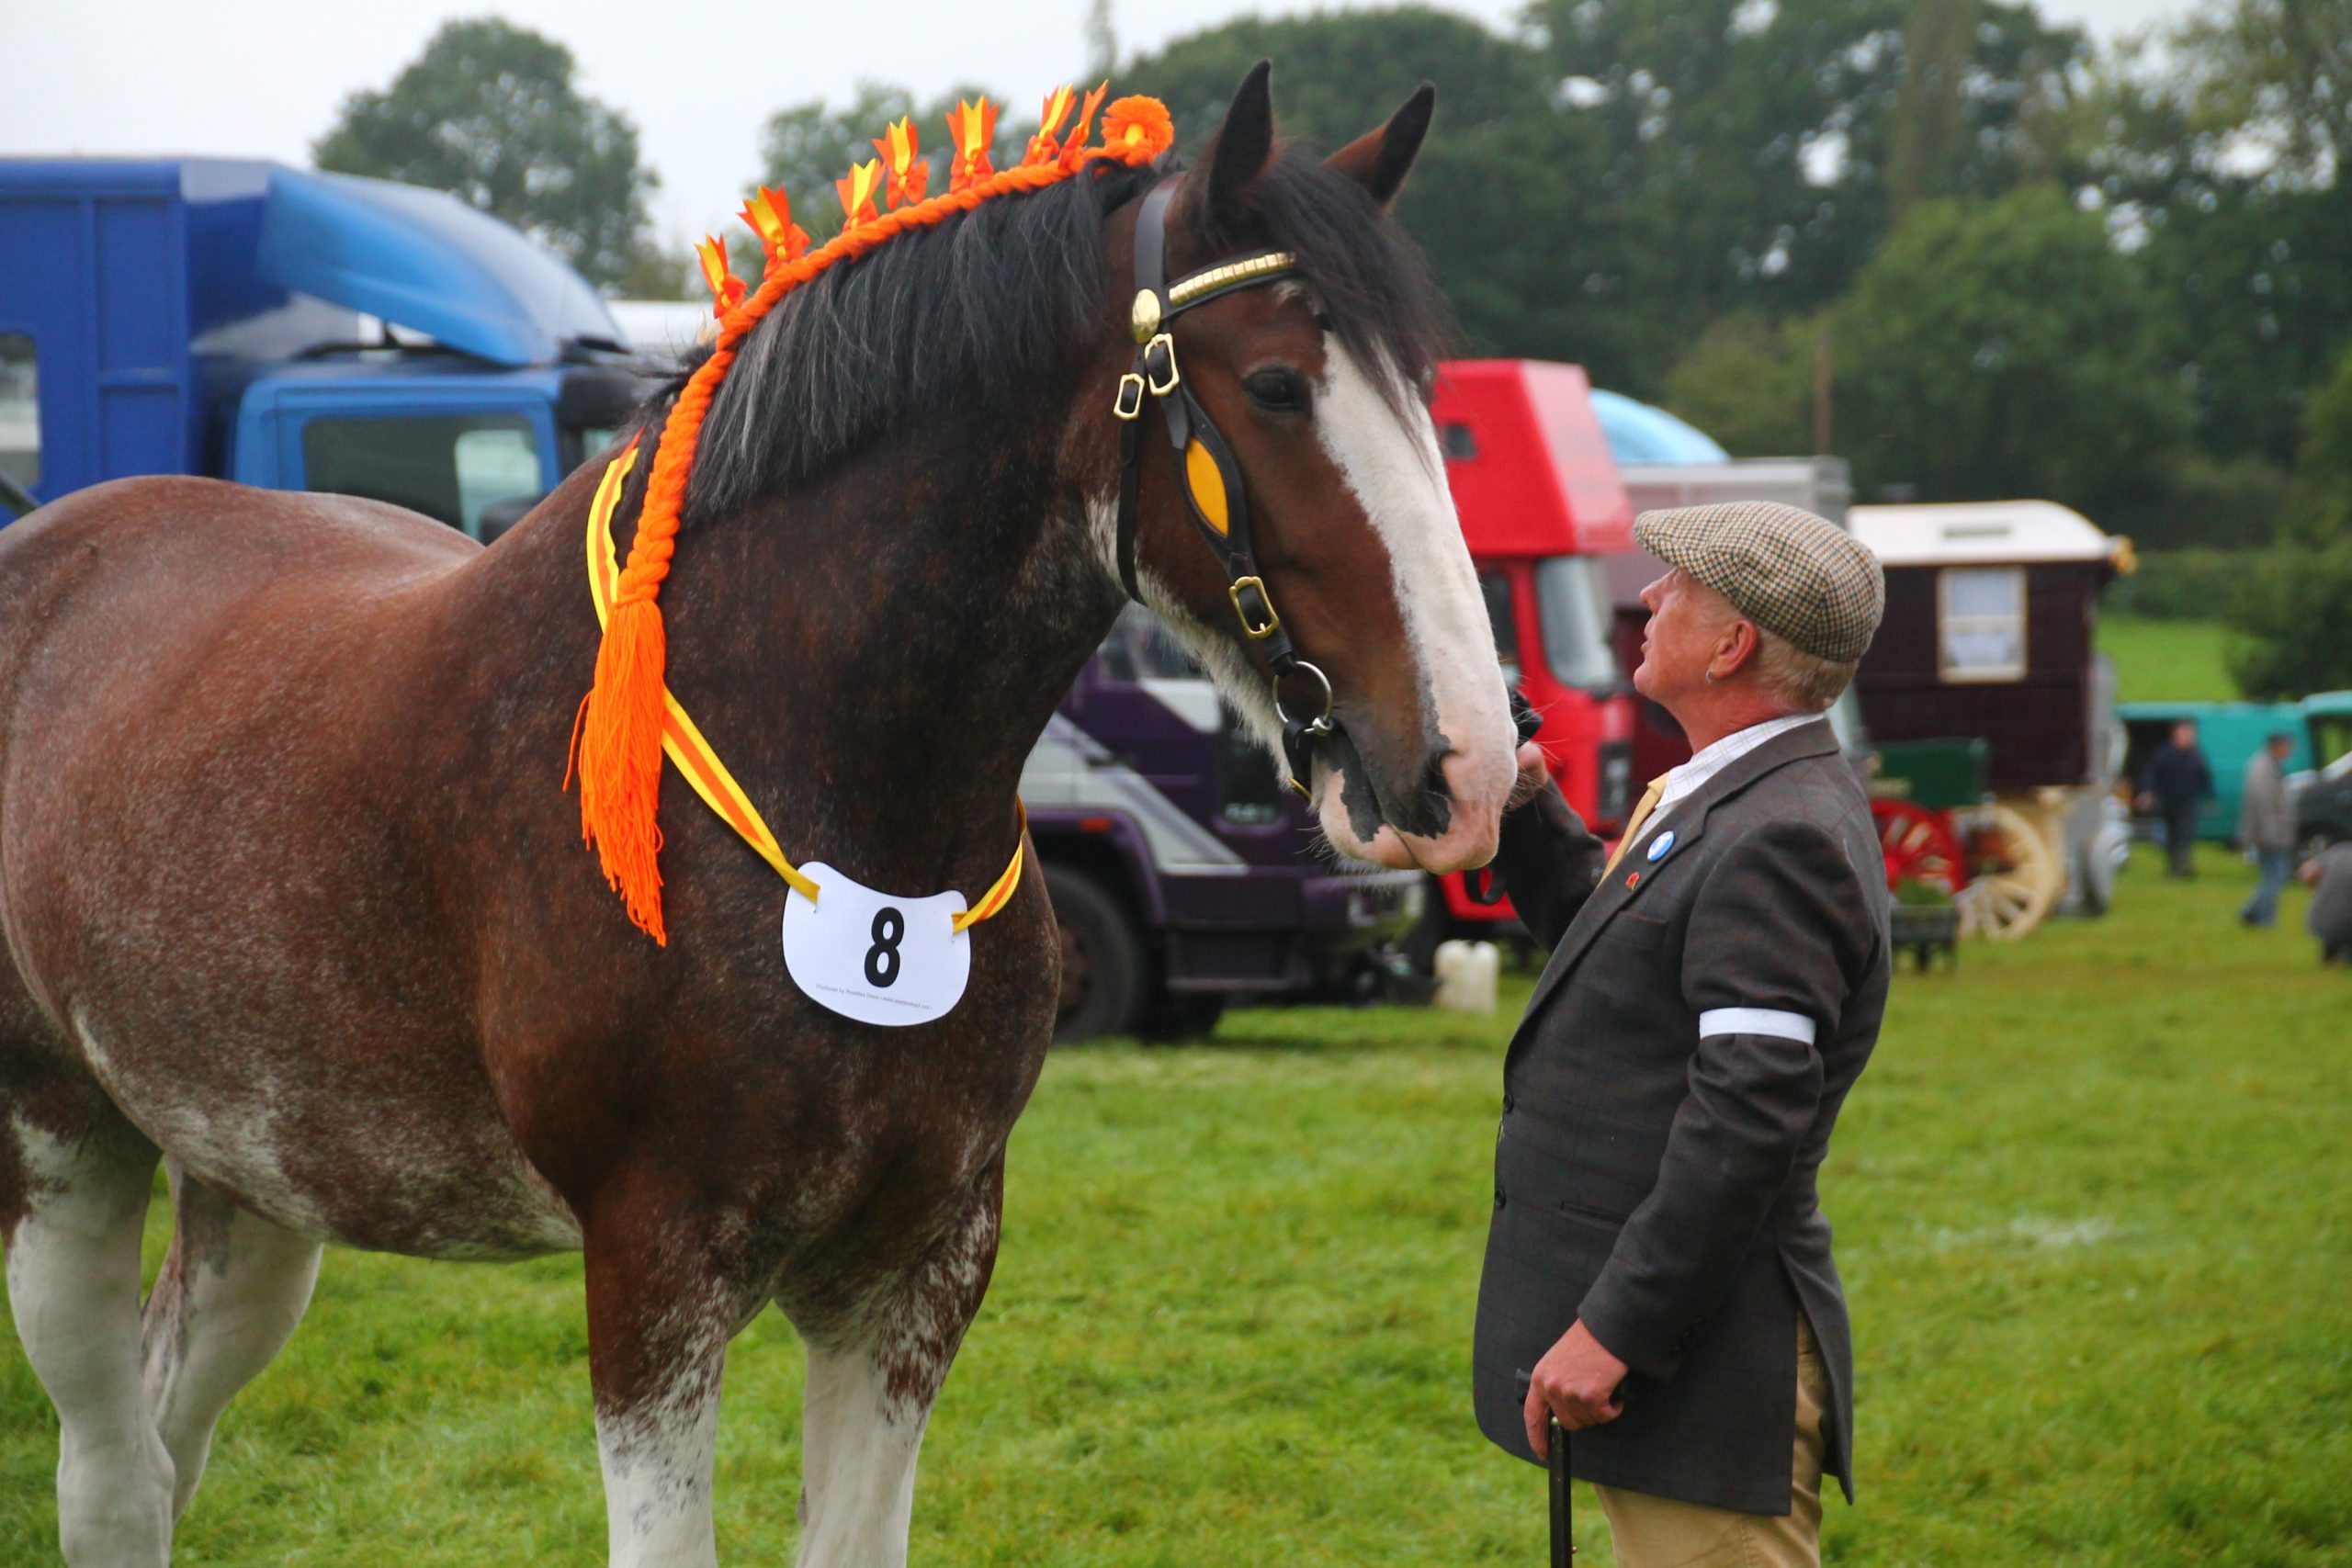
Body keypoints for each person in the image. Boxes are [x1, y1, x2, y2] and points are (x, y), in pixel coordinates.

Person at [1473, 501, 1890, 1568]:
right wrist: (1523, 803)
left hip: (1708, 1365)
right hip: (1693, 1350)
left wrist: (1614, 1329)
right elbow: (1624, 944)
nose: (1650, 598)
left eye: (1678, 588)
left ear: (1731, 644)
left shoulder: (1779, 835)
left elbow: (1745, 1119)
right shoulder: (1739, 792)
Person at [2138, 720, 2212, 877]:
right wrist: (2148, 792)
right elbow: (2152, 775)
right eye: (2185, 733)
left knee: (2186, 834)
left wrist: (2210, 797)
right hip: (2168, 800)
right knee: (2172, 835)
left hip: (2188, 801)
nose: (2188, 737)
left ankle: (2184, 866)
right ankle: (2174, 866)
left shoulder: (2197, 755)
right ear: (2175, 735)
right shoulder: (2164, 754)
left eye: (2190, 733)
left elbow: (2205, 777)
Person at [2238, 732, 2298, 927]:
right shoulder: (2262, 769)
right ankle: (2261, 916)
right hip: (2270, 834)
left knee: (2274, 875)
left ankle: (2256, 914)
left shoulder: (2271, 766)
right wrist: (2271, 833)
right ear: (2276, 746)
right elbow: (2262, 804)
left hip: (2274, 832)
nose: (2289, 752)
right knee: (2276, 876)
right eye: (2287, 747)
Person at [2302, 840, 2352, 964]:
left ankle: (2332, 955)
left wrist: (2317, 890)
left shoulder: (2335, 852)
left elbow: (2304, 874)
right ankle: (2345, 957)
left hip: (2318, 920)